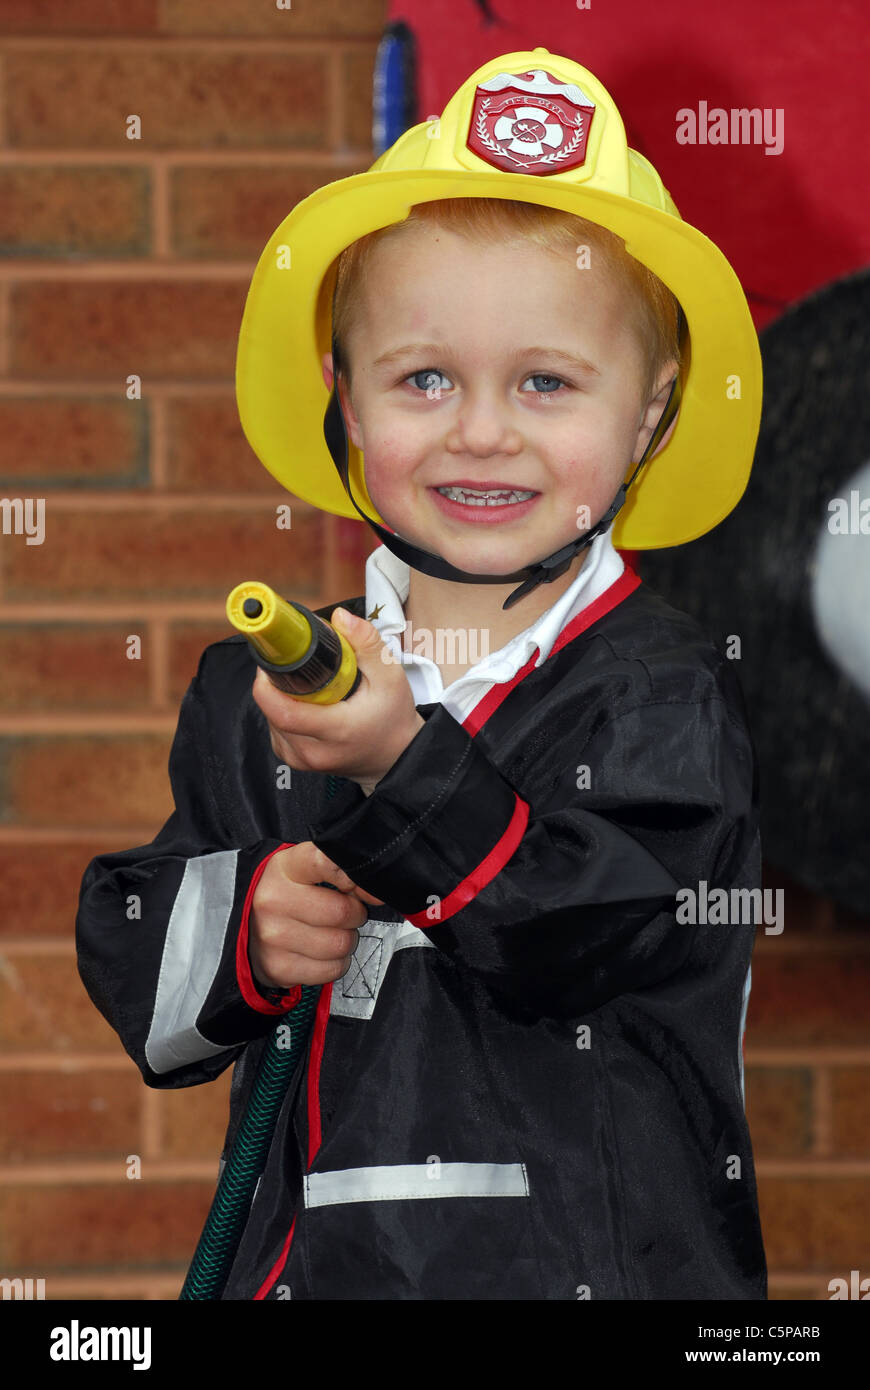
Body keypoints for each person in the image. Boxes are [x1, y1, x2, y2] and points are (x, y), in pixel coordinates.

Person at [76, 49, 768, 1299]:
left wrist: (402, 771)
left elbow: (584, 930)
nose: (483, 430)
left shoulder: (663, 692)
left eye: (547, 382)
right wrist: (250, 923)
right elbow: (138, 953)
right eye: (425, 378)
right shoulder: (258, 690)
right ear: (345, 397)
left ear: (653, 416)